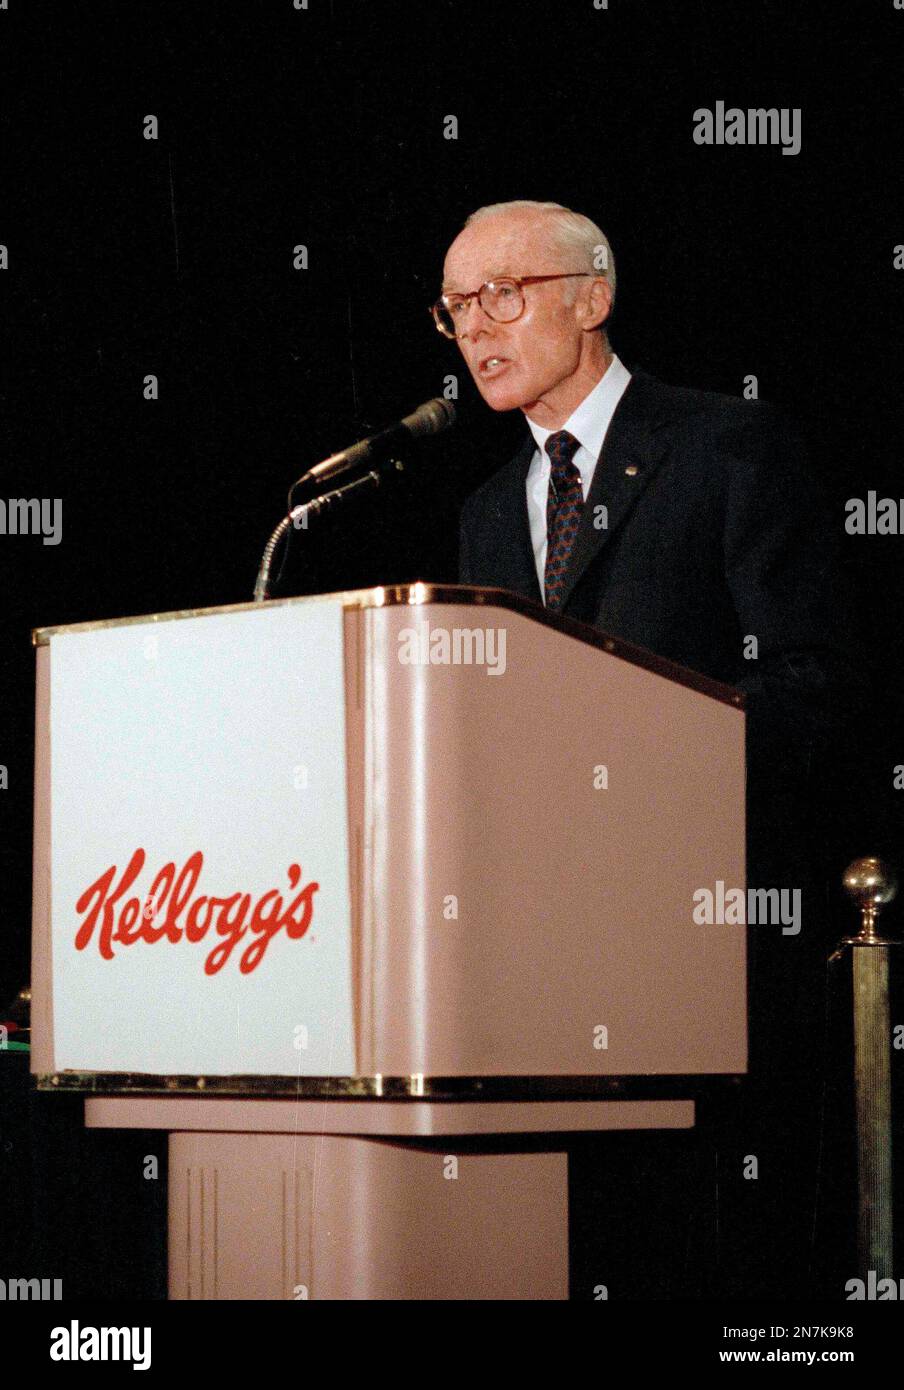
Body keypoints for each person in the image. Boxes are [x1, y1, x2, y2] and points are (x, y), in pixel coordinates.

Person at [439, 199, 864, 1297]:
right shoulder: (487, 509)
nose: (475, 327)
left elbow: (812, 689)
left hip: (713, 941)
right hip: (551, 964)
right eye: (452, 310)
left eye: (501, 294)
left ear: (592, 296)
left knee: (721, 1257)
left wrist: (629, 755)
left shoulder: (725, 444)